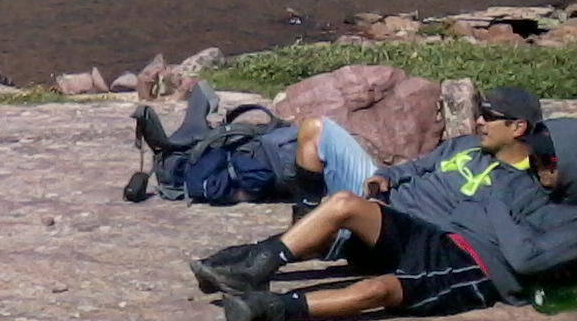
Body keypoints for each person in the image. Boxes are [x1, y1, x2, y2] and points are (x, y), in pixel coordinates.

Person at [191, 93, 577, 321]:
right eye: (541, 158)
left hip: (470, 261)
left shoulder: (544, 199)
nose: (539, 165)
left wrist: (487, 207)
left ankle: (270, 308)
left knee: (378, 290)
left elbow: (523, 258)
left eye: (548, 161)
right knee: (344, 201)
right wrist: (391, 178)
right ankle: (249, 267)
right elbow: (457, 200)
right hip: (430, 232)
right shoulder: (485, 159)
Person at [287, 86, 543, 220]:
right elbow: (417, 166)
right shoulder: (466, 144)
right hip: (381, 195)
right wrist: (387, 176)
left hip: (400, 226)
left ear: (518, 127)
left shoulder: (521, 184)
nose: (478, 122)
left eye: (488, 117)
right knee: (315, 128)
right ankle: (305, 217)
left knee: (344, 208)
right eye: (479, 114)